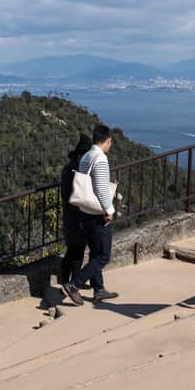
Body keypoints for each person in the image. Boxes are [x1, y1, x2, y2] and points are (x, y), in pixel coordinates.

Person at [62, 124, 118, 305]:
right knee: (103, 256)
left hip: (85, 211)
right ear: (108, 140)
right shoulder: (100, 159)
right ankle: (74, 285)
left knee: (95, 253)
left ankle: (99, 289)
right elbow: (101, 189)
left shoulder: (86, 156)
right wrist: (109, 211)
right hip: (97, 214)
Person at [58, 133, 92, 292]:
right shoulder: (73, 170)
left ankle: (74, 279)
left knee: (77, 248)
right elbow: (74, 194)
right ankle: (66, 280)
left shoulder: (71, 168)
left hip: (74, 214)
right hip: (75, 215)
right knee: (74, 249)